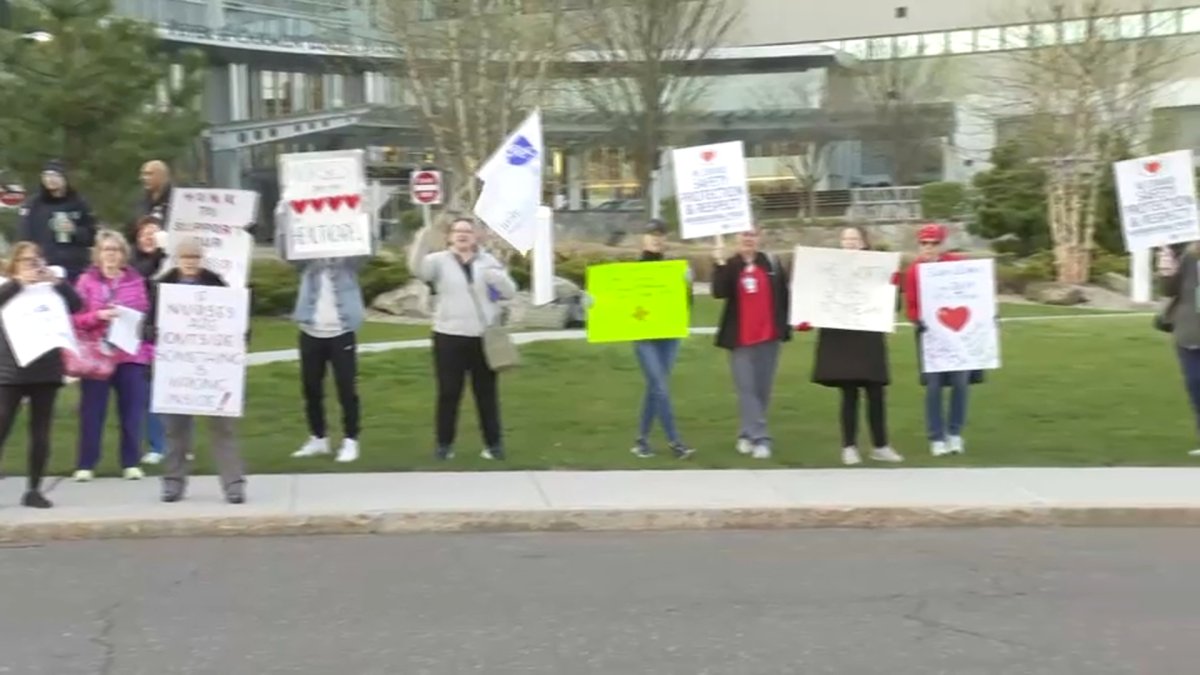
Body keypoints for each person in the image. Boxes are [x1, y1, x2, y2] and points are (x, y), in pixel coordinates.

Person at [146, 236, 247, 503]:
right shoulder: (162, 287)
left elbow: (234, 320)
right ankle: (173, 482)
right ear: (177, 260)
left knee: (222, 429)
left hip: (213, 372)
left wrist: (239, 339)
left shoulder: (217, 285)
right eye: (185, 257)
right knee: (175, 431)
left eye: (195, 258)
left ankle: (233, 484)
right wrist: (152, 333)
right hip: (177, 371)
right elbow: (147, 326)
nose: (190, 263)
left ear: (201, 261)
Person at [408, 217, 517, 461]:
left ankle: (494, 444)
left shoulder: (489, 262)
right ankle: (444, 445)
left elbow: (509, 291)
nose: (462, 234)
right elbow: (417, 269)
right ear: (449, 236)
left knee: (486, 394)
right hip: (448, 336)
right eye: (457, 231)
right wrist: (421, 241)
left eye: (468, 231)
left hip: (482, 338)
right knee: (449, 393)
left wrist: (496, 278)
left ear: (476, 236)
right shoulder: (438, 261)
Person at [275, 200, 371, 463]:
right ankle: (318, 438)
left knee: (346, 389)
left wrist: (364, 211)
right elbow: (285, 250)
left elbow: (368, 245)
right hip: (311, 331)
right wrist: (283, 215)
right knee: (311, 388)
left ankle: (351, 440)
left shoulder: (349, 261)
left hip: (342, 332)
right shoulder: (308, 260)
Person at [798, 227, 903, 465]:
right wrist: (805, 315)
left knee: (876, 392)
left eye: (855, 239)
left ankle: (881, 445)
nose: (851, 243)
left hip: (868, 335)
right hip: (842, 336)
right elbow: (813, 295)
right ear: (841, 242)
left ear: (864, 241)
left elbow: (892, 306)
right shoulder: (829, 268)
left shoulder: (877, 267)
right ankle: (849, 446)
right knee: (849, 393)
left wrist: (893, 286)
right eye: (846, 239)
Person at [0, 242, 83, 507]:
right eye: (26, 260)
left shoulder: (51, 287)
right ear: (14, 264)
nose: (32, 265)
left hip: (46, 369)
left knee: (41, 432)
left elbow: (77, 304)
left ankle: (34, 489)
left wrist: (57, 282)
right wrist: (18, 283)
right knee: (2, 426)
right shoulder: (6, 286)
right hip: (11, 370)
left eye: (36, 260)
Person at [72, 230, 153, 481]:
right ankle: (86, 464)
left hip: (130, 355)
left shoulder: (135, 280)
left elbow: (145, 317)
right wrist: (98, 316)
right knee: (92, 411)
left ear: (124, 254)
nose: (111, 255)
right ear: (98, 254)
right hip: (97, 356)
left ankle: (130, 462)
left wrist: (147, 348)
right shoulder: (86, 282)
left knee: (131, 412)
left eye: (116, 250)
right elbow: (75, 319)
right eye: (106, 249)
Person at [711, 224, 792, 460]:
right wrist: (719, 263)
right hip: (741, 340)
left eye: (753, 234)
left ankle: (746, 433)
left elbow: (785, 297)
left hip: (769, 336)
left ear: (760, 237)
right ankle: (761, 438)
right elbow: (719, 292)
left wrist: (790, 324)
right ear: (737, 237)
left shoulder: (772, 264)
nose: (748, 238)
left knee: (762, 390)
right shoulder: (732, 264)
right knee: (746, 388)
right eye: (744, 234)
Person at [902, 223, 982, 457]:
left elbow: (973, 293)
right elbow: (911, 306)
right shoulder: (914, 271)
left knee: (960, 382)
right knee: (934, 386)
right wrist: (919, 320)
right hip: (930, 335)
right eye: (924, 243)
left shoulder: (956, 264)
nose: (929, 247)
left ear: (942, 244)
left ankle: (955, 433)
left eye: (934, 243)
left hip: (959, 334)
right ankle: (936, 437)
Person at [630, 219, 695, 459]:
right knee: (659, 386)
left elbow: (686, 305)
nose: (657, 238)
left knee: (655, 389)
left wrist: (686, 286)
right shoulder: (633, 270)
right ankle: (675, 441)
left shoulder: (674, 269)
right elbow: (620, 304)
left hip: (669, 335)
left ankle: (641, 441)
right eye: (651, 234)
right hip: (645, 337)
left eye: (661, 234)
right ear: (643, 238)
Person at [17, 159, 97, 282]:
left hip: (74, 266)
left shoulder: (79, 203)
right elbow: (25, 236)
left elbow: (91, 236)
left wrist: (74, 230)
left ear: (64, 178)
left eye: (55, 175)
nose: (50, 179)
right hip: (43, 265)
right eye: (47, 175)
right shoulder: (33, 205)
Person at [130, 216, 168, 464]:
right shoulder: (134, 265)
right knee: (150, 393)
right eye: (145, 233)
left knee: (176, 391)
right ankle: (157, 445)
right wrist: (160, 254)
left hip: (172, 330)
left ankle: (180, 443)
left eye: (155, 232)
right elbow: (144, 276)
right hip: (144, 334)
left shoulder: (172, 261)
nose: (149, 237)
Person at [1156, 243, 1200, 457]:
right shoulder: (1188, 256)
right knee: (1196, 387)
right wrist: (1167, 271)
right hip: (1189, 334)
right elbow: (1170, 291)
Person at [129, 160, 173, 240]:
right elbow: (129, 229)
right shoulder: (140, 201)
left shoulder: (175, 200)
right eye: (143, 175)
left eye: (149, 174)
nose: (143, 178)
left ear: (162, 176)